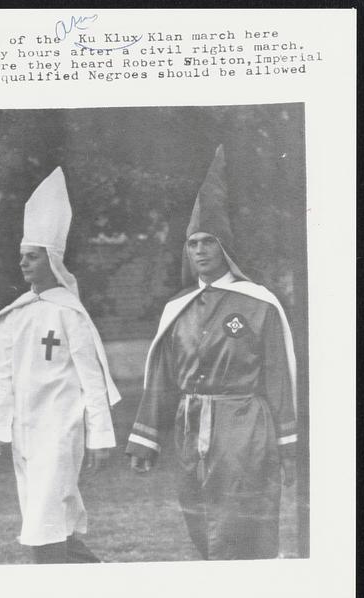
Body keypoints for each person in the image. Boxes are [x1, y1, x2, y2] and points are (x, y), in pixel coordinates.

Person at [125, 145, 298, 560]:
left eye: (208, 242)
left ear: (225, 247)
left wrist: (288, 446)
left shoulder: (259, 304)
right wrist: (145, 441)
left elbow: (278, 376)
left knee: (240, 524)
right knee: (199, 520)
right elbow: (161, 380)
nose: (199, 251)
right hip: (191, 427)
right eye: (192, 243)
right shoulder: (177, 309)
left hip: (244, 427)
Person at [0, 167, 121, 564]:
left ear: (52, 260)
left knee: (45, 523)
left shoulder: (69, 315)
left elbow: (93, 382)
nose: (23, 263)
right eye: (21, 256)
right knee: (46, 519)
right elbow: (0, 377)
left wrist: (100, 437)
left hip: (60, 430)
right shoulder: (15, 314)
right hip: (25, 432)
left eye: (33, 256)